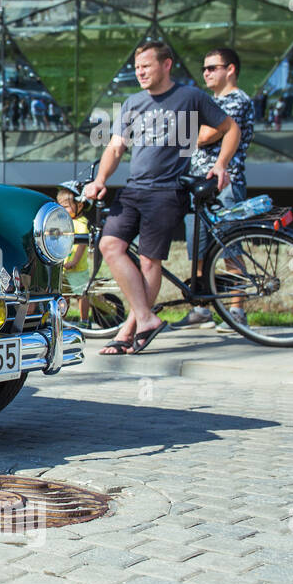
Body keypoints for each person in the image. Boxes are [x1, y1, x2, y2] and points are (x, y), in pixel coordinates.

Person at [83, 41, 237, 355]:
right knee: (110, 245)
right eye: (137, 67)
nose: (140, 72)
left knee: (150, 261)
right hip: (134, 188)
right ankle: (145, 318)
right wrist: (100, 179)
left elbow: (229, 128)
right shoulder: (132, 103)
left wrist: (221, 165)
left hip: (168, 191)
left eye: (146, 66)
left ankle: (130, 330)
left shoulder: (190, 97)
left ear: (166, 65)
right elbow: (115, 147)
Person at [176, 47, 256, 328]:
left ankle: (236, 311)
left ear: (230, 69)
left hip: (224, 184)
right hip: (198, 185)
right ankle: (201, 309)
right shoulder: (211, 101)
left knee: (229, 246)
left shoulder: (236, 100)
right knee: (197, 250)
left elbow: (207, 135)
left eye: (212, 68)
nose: (206, 73)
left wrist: (195, 132)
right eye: (204, 69)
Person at [57, 186, 91, 323]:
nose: (62, 210)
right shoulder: (64, 222)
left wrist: (75, 261)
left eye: (66, 207)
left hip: (77, 269)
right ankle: (61, 321)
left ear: (79, 205)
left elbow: (81, 245)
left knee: (81, 295)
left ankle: (84, 320)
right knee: (64, 296)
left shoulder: (80, 223)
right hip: (64, 266)